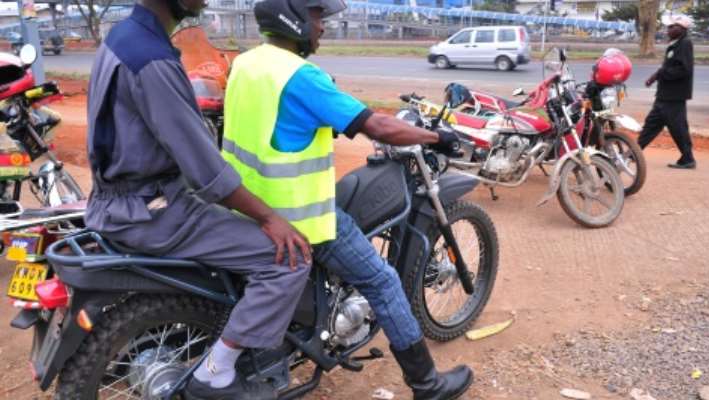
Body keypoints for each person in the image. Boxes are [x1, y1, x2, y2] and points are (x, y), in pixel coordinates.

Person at [219, 0, 474, 399]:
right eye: (318, 16)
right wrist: (437, 137)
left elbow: (273, 122)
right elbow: (378, 126)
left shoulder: (245, 64)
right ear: (296, 17)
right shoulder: (302, 76)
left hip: (245, 207)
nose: (322, 27)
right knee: (382, 280)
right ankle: (428, 384)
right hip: (300, 219)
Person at [86, 0, 317, 398]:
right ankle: (216, 373)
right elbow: (207, 174)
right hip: (155, 210)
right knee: (289, 258)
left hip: (114, 199)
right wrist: (269, 218)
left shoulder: (123, 37)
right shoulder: (153, 60)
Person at [637, 15, 696, 169]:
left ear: (682, 29)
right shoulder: (675, 44)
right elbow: (668, 67)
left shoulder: (685, 44)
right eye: (668, 27)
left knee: (678, 129)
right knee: (651, 125)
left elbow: (684, 70)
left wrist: (662, 74)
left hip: (674, 96)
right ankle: (634, 153)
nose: (668, 30)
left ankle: (688, 159)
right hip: (666, 95)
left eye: (672, 27)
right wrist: (655, 76)